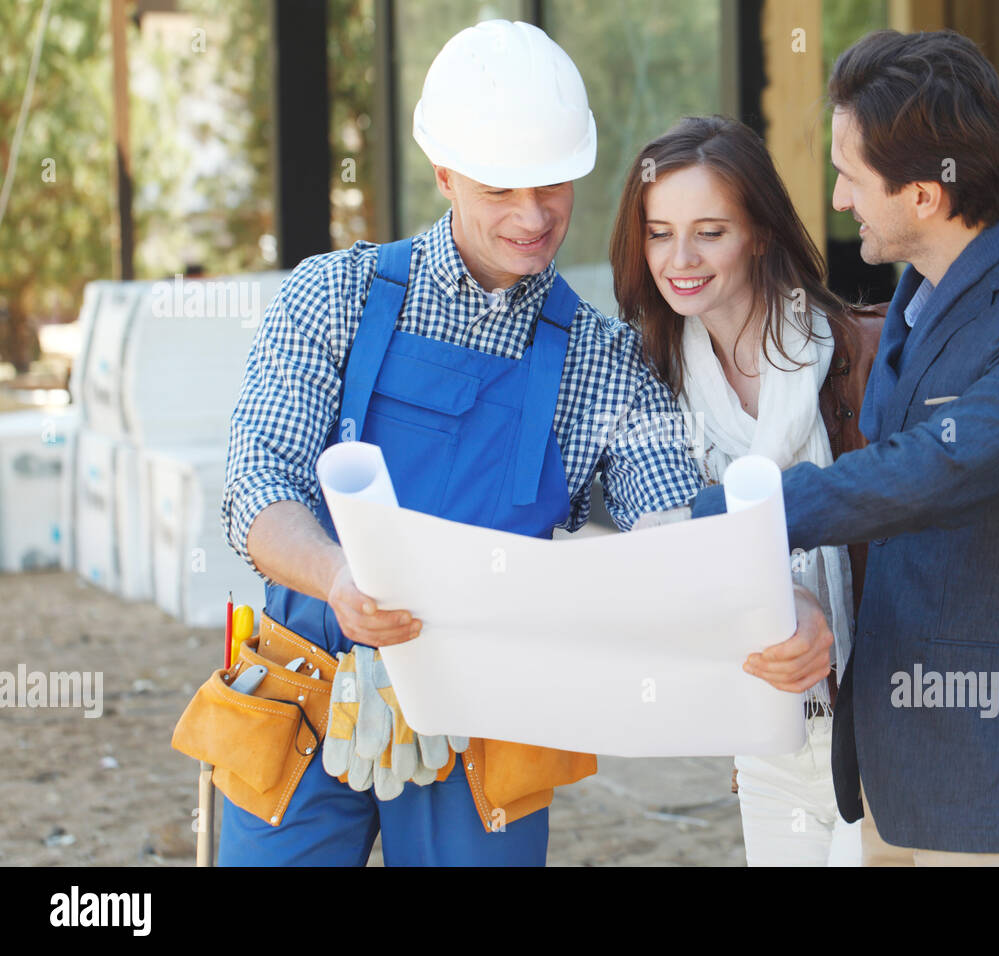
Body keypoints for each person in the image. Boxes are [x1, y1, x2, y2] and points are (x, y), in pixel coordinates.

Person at [214, 19, 833, 867]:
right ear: (443, 173)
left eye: (553, 184)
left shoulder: (604, 358)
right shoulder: (334, 297)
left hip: (489, 719)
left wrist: (776, 601)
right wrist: (336, 577)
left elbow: (672, 525)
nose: (534, 215)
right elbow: (255, 485)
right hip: (306, 693)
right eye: (502, 188)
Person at [619, 115, 999, 866]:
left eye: (710, 231)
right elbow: (654, 563)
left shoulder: (862, 353)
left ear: (759, 233)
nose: (681, 259)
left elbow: (947, 493)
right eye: (660, 233)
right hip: (767, 729)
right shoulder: (649, 379)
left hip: (887, 732)